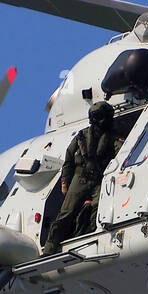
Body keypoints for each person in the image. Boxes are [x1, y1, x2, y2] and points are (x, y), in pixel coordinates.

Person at [41, 102, 121, 255]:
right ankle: (50, 248)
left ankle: (85, 240)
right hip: (81, 178)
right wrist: (65, 182)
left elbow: (121, 152)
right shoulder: (82, 137)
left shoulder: (112, 138)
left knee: (97, 208)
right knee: (66, 213)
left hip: (98, 180)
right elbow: (69, 161)